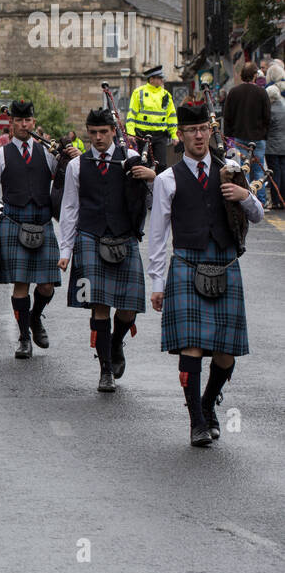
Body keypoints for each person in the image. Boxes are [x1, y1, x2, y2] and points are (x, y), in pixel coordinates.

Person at [148, 102, 264, 447]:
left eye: (203, 129)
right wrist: (157, 283)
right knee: (193, 347)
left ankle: (208, 401)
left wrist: (245, 195)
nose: (198, 136)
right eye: (191, 130)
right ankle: (197, 421)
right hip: (187, 261)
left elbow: (256, 215)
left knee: (226, 353)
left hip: (226, 262)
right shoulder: (168, 180)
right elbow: (157, 235)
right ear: (180, 136)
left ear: (210, 131)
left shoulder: (229, 170)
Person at [57, 109, 155, 393]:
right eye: (93, 133)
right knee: (99, 305)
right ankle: (105, 370)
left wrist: (151, 176)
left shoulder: (130, 161)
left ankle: (115, 343)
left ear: (114, 131)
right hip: (90, 235)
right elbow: (70, 208)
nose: (98, 138)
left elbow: (154, 200)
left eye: (103, 132)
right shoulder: (78, 165)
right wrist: (66, 249)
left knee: (128, 309)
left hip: (124, 236)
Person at [0, 99, 62, 360]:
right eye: (19, 121)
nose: (24, 125)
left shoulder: (48, 153)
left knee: (47, 285)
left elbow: (63, 181)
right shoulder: (0, 155)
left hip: (41, 220)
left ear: (33, 123)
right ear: (11, 124)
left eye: (28, 120)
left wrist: (65, 156)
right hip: (14, 220)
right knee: (21, 285)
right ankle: (24, 337)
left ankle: (35, 318)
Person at [222, 63, 272, 209]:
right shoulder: (262, 93)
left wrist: (228, 137)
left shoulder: (234, 92)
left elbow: (227, 116)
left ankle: (246, 200)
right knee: (258, 170)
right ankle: (260, 201)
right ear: (255, 75)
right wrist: (264, 133)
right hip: (258, 138)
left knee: (243, 170)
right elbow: (267, 116)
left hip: (239, 137)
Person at [125, 65, 177, 169]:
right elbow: (131, 114)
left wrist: (174, 135)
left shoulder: (166, 95)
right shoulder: (139, 93)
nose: (162, 80)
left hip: (160, 136)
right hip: (143, 135)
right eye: (159, 78)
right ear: (152, 79)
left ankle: (158, 184)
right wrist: (131, 133)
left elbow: (171, 117)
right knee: (144, 164)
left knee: (161, 165)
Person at [266, 84, 285, 209]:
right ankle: (283, 198)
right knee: (283, 172)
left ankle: (276, 200)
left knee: (274, 173)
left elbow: (266, 128)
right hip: (284, 145)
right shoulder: (284, 108)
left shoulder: (270, 111)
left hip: (272, 145)